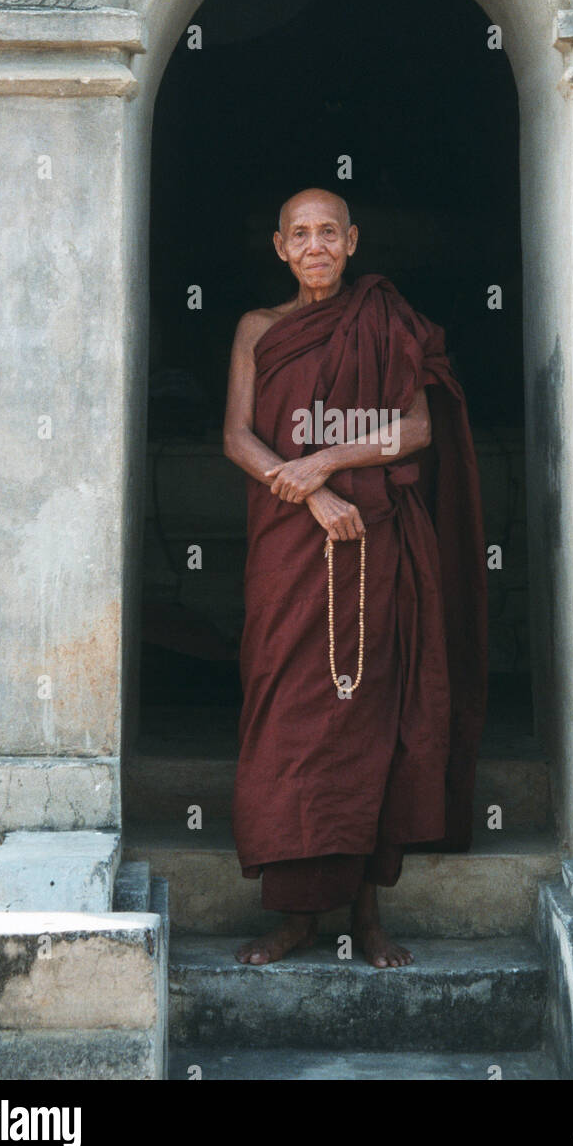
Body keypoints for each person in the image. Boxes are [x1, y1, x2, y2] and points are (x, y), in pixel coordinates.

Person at [223, 188, 488, 967]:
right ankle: (296, 916)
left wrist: (326, 461)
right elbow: (237, 436)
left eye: (329, 233)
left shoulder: (385, 321)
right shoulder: (258, 329)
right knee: (285, 715)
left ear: (352, 241)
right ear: (279, 246)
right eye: (300, 235)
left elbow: (416, 426)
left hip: (374, 544)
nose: (315, 247)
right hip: (287, 546)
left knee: (367, 714)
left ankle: (367, 917)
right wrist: (306, 493)